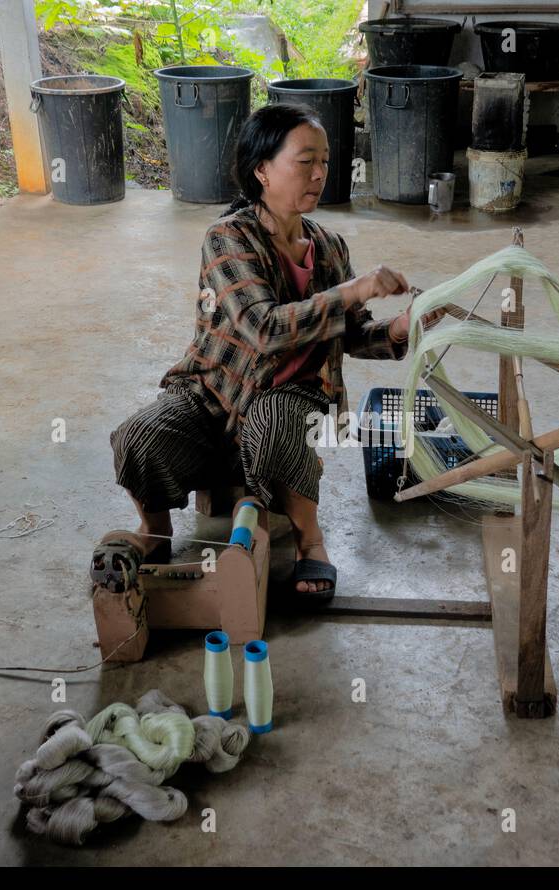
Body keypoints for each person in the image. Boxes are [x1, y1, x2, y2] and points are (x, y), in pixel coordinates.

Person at [110, 102, 414, 603]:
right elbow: (263, 329)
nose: (319, 174)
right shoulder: (227, 239)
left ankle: (310, 540)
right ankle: (156, 531)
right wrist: (354, 290)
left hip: (291, 396)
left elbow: (353, 333)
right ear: (261, 170)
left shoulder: (330, 247)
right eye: (305, 161)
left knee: (274, 422)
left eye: (325, 162)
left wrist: (401, 329)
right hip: (214, 392)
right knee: (139, 436)